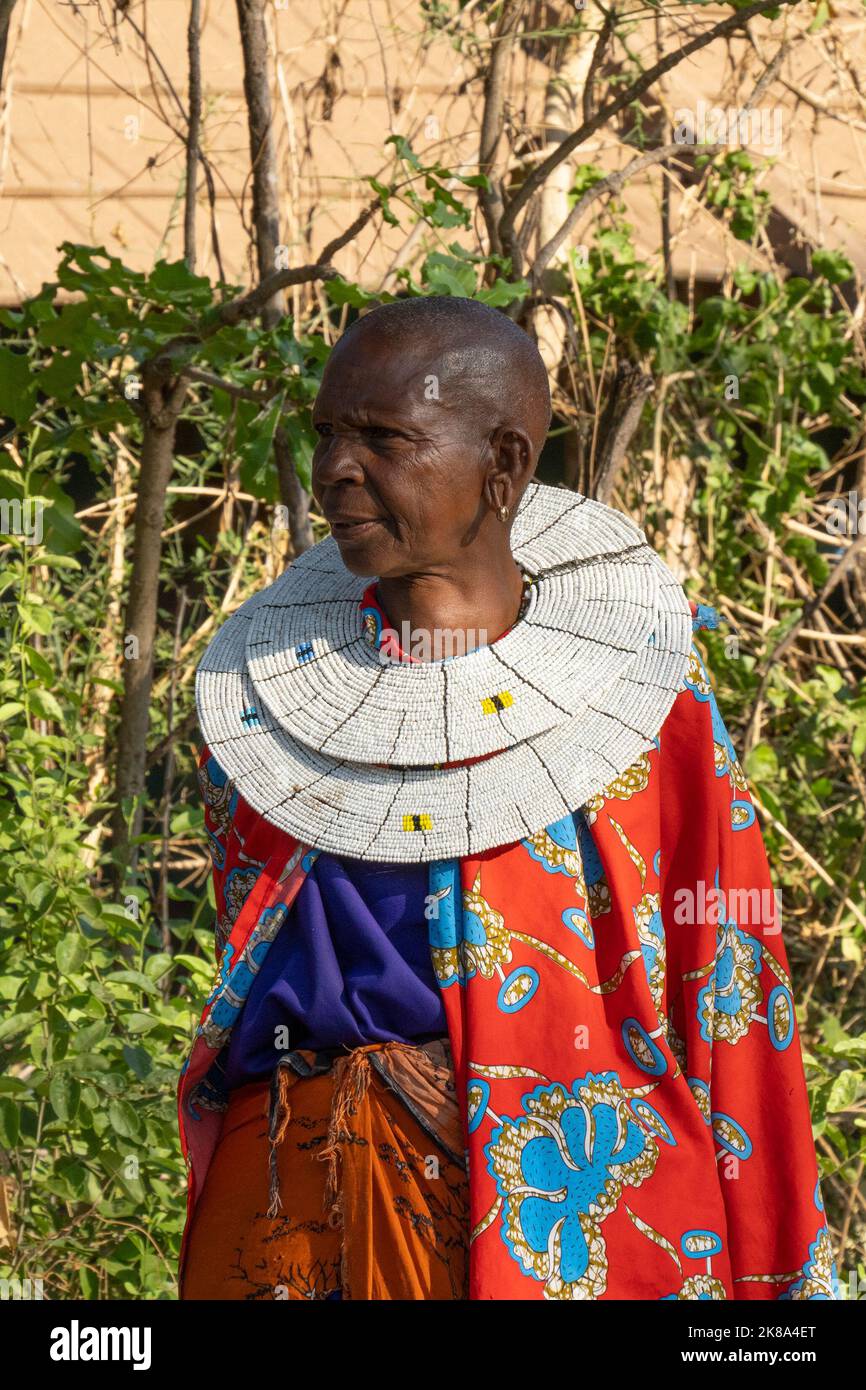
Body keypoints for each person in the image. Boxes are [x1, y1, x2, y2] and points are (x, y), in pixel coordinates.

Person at [177, 296, 836, 1301]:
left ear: (504, 464)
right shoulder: (261, 707)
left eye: (383, 437)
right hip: (284, 1213)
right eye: (325, 435)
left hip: (554, 1211)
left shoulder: (642, 711)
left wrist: (773, 1298)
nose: (335, 470)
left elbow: (731, 1010)